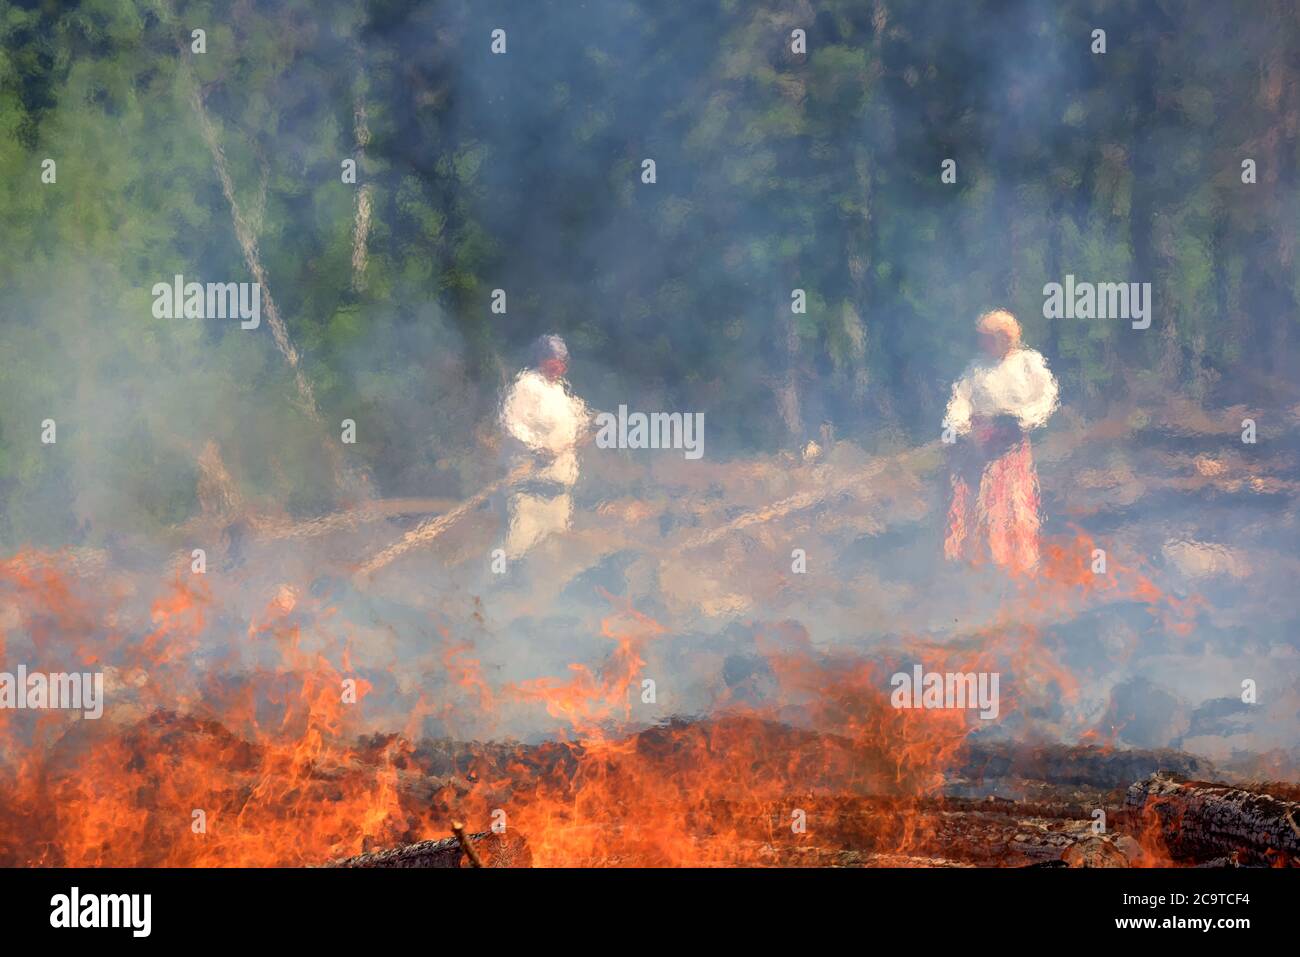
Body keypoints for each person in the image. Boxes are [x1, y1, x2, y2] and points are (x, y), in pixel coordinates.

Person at [942, 309, 1059, 575]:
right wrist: (961, 427)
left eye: (987, 338)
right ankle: (980, 560)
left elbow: (1046, 397)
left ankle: (1015, 562)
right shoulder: (976, 368)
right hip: (979, 441)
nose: (982, 344)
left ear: (1004, 338)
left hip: (1011, 439)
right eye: (981, 338)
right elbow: (960, 401)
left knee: (1011, 501)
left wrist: (1021, 420)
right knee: (976, 498)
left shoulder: (1029, 362)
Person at [498, 334, 591, 558]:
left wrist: (588, 421)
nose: (557, 365)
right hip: (531, 489)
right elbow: (512, 423)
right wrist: (536, 448)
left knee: (554, 552)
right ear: (540, 359)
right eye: (551, 359)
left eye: (561, 361)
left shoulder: (561, 392)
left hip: (559, 490)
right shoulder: (527, 386)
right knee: (520, 546)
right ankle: (497, 586)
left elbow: (573, 424)